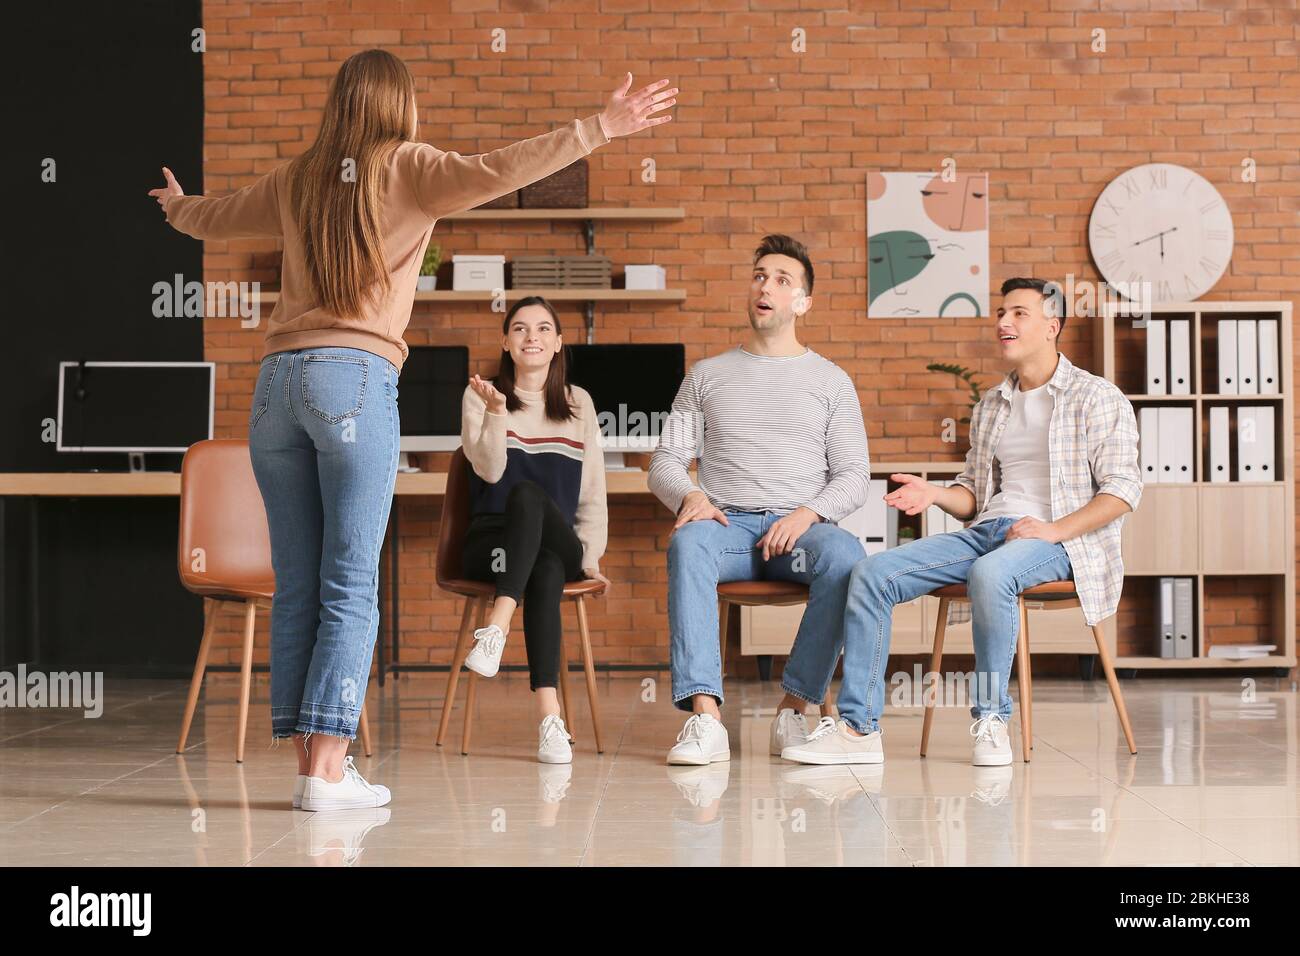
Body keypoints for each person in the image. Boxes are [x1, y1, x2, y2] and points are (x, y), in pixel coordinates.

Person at [151, 48, 676, 809]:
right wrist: (600, 126)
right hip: (353, 378)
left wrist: (175, 208)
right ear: (401, 105)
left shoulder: (300, 176)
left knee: (299, 581)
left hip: (275, 388)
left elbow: (216, 217)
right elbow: (503, 167)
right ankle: (328, 773)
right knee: (349, 580)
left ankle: (311, 768)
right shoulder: (410, 167)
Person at [781, 277, 1141, 767]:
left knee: (989, 574)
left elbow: (1122, 490)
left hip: (1061, 541)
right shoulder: (993, 403)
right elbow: (973, 495)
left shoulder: (1097, 397)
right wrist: (934, 494)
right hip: (990, 532)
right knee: (871, 573)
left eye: (1018, 313)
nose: (1003, 323)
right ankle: (859, 730)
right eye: (1001, 313)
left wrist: (1053, 529)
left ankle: (991, 719)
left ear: (1051, 326)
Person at [649, 234, 871, 766]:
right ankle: (705, 721)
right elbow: (664, 463)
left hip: (799, 534)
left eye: (781, 279)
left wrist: (807, 513)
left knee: (846, 555)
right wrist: (692, 496)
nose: (765, 286)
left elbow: (854, 475)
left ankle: (794, 708)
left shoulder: (831, 382)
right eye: (759, 275)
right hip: (730, 530)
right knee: (688, 544)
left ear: (803, 302)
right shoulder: (706, 376)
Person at [458, 296, 610, 764]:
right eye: (520, 329)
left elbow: (592, 491)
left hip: (561, 540)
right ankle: (551, 720)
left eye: (544, 329)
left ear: (558, 343)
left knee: (530, 503)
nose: (532, 337)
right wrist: (498, 413)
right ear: (506, 342)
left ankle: (496, 627)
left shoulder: (578, 402)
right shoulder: (480, 396)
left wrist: (591, 560)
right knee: (540, 567)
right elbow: (487, 471)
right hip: (494, 543)